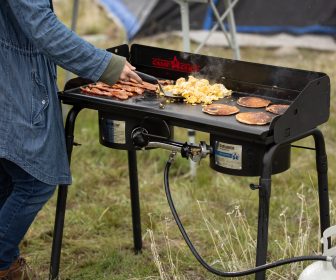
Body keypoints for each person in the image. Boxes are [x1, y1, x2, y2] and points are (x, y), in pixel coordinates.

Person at [0, 0, 142, 279]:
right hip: (11, 73)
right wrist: (104, 64)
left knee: (7, 174)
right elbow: (42, 26)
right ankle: (3, 262)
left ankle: (8, 262)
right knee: (34, 181)